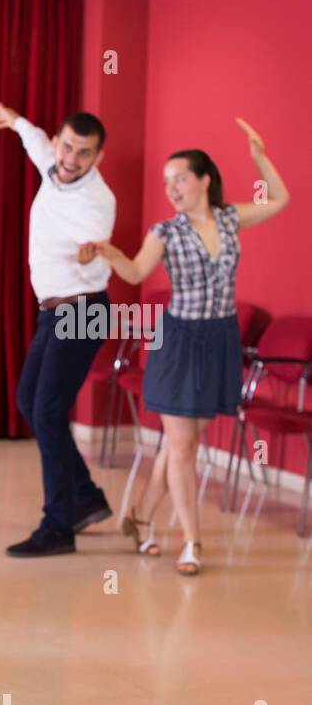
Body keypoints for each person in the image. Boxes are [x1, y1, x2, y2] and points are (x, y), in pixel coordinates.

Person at [95, 119, 289, 575]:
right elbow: (137, 273)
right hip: (179, 343)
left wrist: (260, 157)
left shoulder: (230, 218)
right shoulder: (164, 232)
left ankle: (139, 517)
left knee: (182, 441)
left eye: (179, 178)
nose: (172, 189)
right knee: (183, 449)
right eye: (167, 182)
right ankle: (191, 542)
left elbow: (280, 199)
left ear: (204, 179)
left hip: (220, 340)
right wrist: (111, 256)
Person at [0, 103, 117, 556]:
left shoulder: (98, 201)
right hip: (54, 311)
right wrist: (16, 120)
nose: (71, 158)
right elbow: (36, 141)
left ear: (97, 157)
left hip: (84, 310)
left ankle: (59, 525)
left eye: (84, 153)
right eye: (68, 147)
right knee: (31, 402)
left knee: (46, 411)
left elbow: (95, 249)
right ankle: (85, 497)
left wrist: (90, 255)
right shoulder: (52, 162)